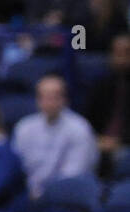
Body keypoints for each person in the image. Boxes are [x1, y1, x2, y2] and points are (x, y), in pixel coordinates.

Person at [12, 74, 98, 199]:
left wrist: (45, 193)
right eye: (44, 97)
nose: (50, 102)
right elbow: (17, 167)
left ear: (65, 99)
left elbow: (75, 173)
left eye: (55, 97)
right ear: (38, 99)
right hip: (28, 195)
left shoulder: (79, 128)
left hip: (67, 196)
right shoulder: (24, 127)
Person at [87, 32, 130, 177]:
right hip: (99, 140)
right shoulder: (101, 83)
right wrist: (96, 139)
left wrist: (119, 141)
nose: (121, 59)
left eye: (126, 53)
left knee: (122, 157)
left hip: (125, 144)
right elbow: (88, 117)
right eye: (117, 53)